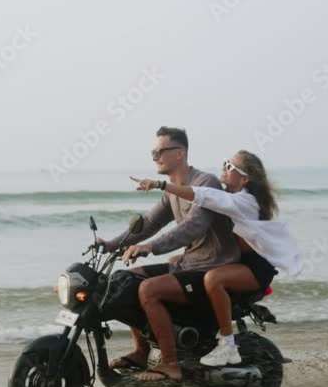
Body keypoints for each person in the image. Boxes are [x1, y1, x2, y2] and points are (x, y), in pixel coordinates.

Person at [130, 150, 303, 367]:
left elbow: (205, 196)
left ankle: (228, 345)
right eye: (224, 163)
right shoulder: (232, 197)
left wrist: (161, 184)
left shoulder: (244, 200)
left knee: (213, 279)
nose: (224, 168)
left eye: (230, 167)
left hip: (255, 267)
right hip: (238, 260)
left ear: (244, 179)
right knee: (175, 261)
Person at [98, 127, 239, 382]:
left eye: (158, 151)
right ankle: (142, 351)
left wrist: (150, 247)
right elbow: (149, 224)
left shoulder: (205, 183)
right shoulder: (172, 190)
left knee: (148, 290)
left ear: (179, 153)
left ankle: (170, 364)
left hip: (211, 266)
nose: (154, 157)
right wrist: (110, 244)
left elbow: (193, 226)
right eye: (153, 152)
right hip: (189, 264)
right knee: (125, 281)